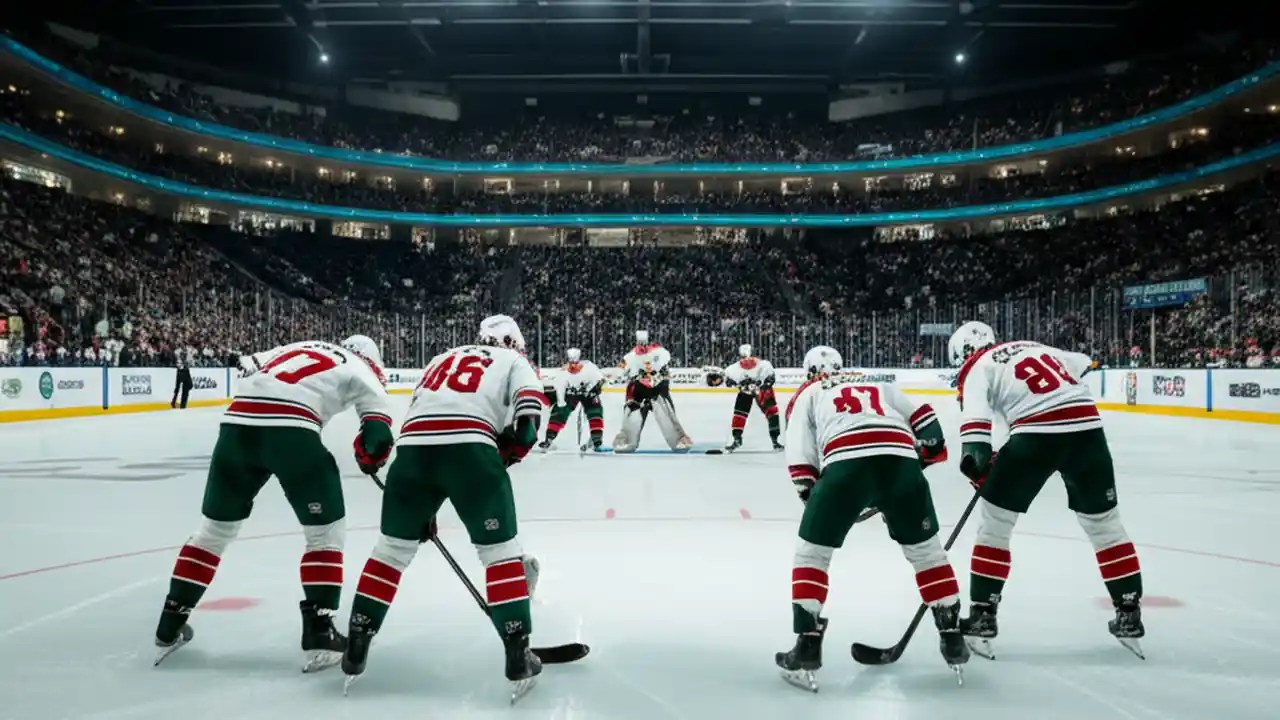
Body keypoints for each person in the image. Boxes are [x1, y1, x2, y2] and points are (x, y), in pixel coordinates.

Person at [152, 335, 395, 672]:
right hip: (291, 432)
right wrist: (370, 456)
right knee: (325, 534)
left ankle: (170, 623)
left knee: (213, 531)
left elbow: (247, 365)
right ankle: (320, 630)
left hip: (236, 427)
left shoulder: (294, 347)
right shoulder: (362, 367)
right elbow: (378, 434)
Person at [341, 314, 548, 704]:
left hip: (412, 456)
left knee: (389, 552)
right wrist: (506, 456)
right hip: (471, 449)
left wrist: (428, 501)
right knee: (500, 554)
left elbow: (422, 418)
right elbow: (527, 423)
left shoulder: (441, 358)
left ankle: (356, 644)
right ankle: (518, 654)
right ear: (513, 342)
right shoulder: (514, 362)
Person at [948, 320, 1144, 659]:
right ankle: (1129, 612)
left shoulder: (978, 366)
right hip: (1088, 431)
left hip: (1036, 433)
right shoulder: (1038, 347)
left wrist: (978, 466)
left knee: (995, 524)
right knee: (1105, 525)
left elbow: (975, 431)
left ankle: (982, 615)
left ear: (960, 353)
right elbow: (1083, 362)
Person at [776, 345, 965, 691]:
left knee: (812, 553)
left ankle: (807, 644)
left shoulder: (808, 392)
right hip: (902, 462)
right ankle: (953, 636)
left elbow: (800, 454)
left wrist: (812, 495)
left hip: (846, 465)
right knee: (928, 553)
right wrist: (917, 463)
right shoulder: (878, 383)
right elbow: (929, 426)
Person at [613, 329, 692, 453]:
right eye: (640, 343)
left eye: (644, 343)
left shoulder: (659, 351)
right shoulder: (630, 357)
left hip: (658, 389)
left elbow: (665, 364)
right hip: (638, 391)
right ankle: (626, 440)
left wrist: (661, 375)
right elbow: (620, 370)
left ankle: (679, 439)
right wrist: (617, 375)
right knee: (632, 413)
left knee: (666, 413)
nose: (643, 346)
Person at [539, 348, 606, 452]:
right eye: (571, 363)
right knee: (559, 412)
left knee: (595, 410)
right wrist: (561, 403)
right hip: (571, 393)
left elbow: (600, 379)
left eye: (575, 363)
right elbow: (560, 390)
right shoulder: (563, 373)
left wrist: (595, 387)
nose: (573, 366)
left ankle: (596, 439)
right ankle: (549, 438)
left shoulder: (589, 367)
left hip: (588, 393)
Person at [722, 343, 783, 452]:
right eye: (745, 359)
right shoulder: (733, 369)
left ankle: (775, 440)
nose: (747, 362)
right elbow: (727, 381)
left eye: (750, 359)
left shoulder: (764, 365)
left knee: (772, 412)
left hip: (763, 391)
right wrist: (737, 384)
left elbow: (771, 378)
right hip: (745, 392)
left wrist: (763, 384)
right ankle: (737, 438)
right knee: (739, 414)